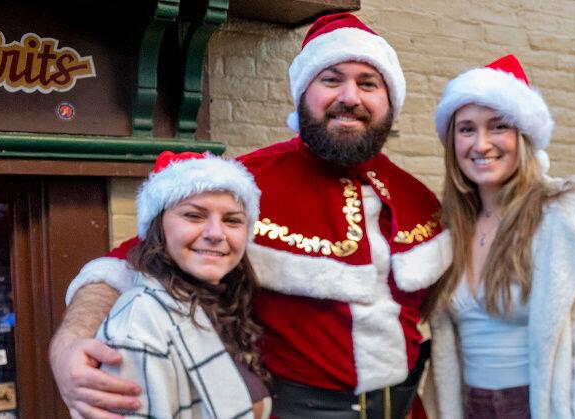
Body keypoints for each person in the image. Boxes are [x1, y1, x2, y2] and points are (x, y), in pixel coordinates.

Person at [50, 12, 452, 419]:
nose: (350, 96)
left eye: (368, 83)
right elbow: (127, 263)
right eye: (331, 80)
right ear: (303, 93)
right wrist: (70, 341)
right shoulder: (241, 185)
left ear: (389, 101)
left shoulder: (418, 197)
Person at [421, 54, 575, 418]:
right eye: (467, 129)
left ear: (523, 135)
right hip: (469, 407)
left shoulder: (570, 224)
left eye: (498, 126)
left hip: (541, 407)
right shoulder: (449, 227)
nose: (481, 144)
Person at [92, 151, 270, 418]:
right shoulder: (139, 328)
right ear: (158, 227)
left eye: (232, 220)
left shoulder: (220, 304)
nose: (216, 234)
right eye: (194, 216)